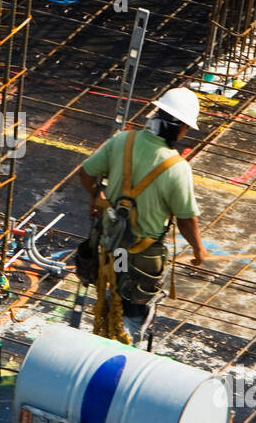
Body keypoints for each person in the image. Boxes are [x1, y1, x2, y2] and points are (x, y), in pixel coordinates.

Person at [77, 87, 206, 344]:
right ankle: (121, 354)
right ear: (176, 126)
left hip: (109, 246)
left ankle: (99, 342)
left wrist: (97, 196)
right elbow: (185, 219)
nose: (184, 134)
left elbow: (86, 174)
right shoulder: (176, 168)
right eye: (184, 129)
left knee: (111, 291)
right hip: (138, 258)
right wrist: (198, 249)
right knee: (132, 309)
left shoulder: (122, 141)